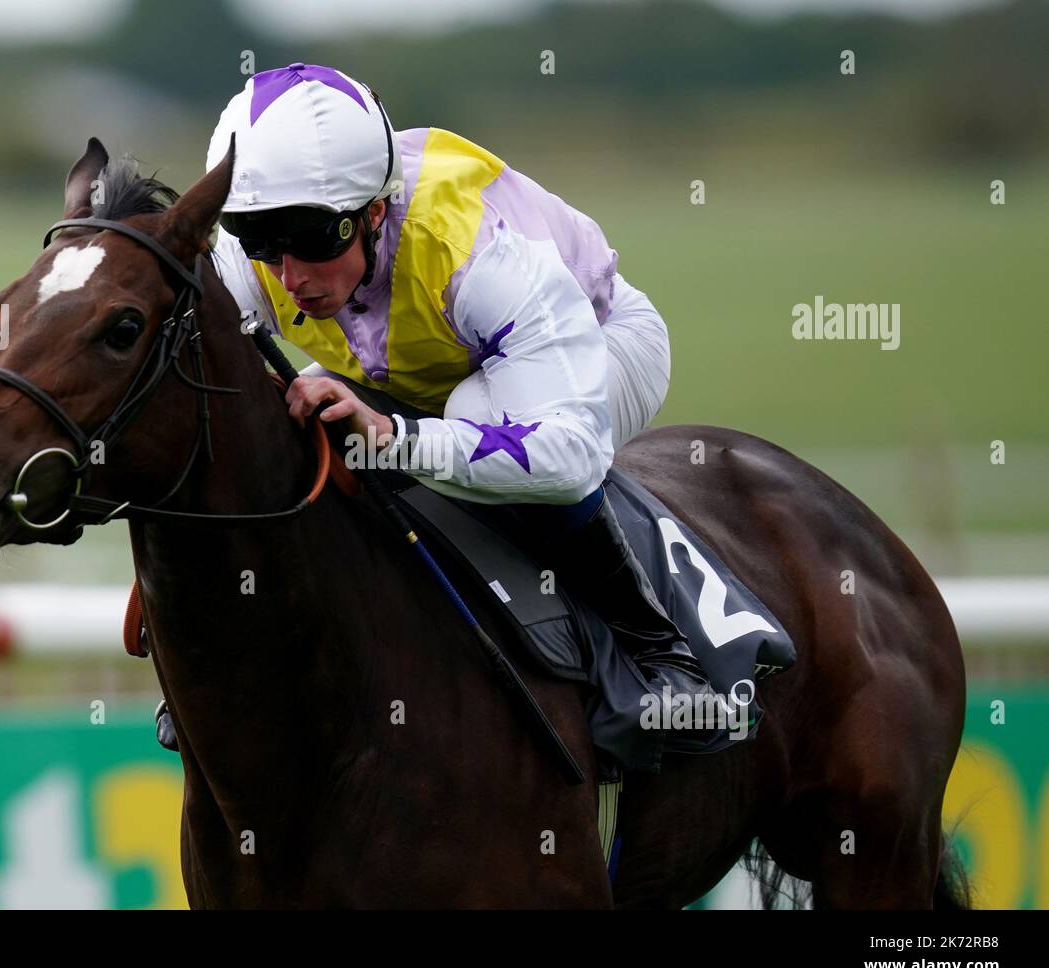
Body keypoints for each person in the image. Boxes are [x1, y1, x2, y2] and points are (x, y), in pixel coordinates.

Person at [155, 61, 717, 755]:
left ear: (373, 212)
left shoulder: (479, 254)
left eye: (311, 239)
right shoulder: (260, 261)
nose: (290, 275)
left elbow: (569, 458)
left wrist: (395, 436)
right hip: (414, 365)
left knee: (470, 410)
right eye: (262, 241)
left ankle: (664, 654)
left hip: (598, 345)